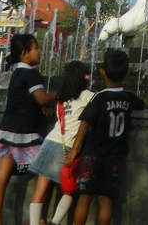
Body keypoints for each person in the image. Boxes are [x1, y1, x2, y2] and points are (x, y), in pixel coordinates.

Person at [64, 49, 145, 225]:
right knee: (105, 200)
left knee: (85, 198)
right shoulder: (130, 98)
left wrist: (74, 150)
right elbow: (142, 105)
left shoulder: (99, 98)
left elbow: (85, 123)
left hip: (92, 155)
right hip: (114, 157)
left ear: (102, 72)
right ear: (128, 73)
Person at [0, 33, 55, 225]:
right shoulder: (31, 73)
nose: (39, 51)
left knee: (1, 179)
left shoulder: (17, 72)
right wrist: (62, 94)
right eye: (36, 48)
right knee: (46, 169)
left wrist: (39, 102)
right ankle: (38, 219)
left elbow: (29, 98)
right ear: (25, 53)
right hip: (24, 134)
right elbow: (41, 98)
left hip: (7, 130)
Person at [28, 60, 94, 225]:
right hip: (66, 147)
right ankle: (55, 222)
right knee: (68, 189)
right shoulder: (87, 95)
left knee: (40, 188)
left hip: (50, 141)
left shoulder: (61, 97)